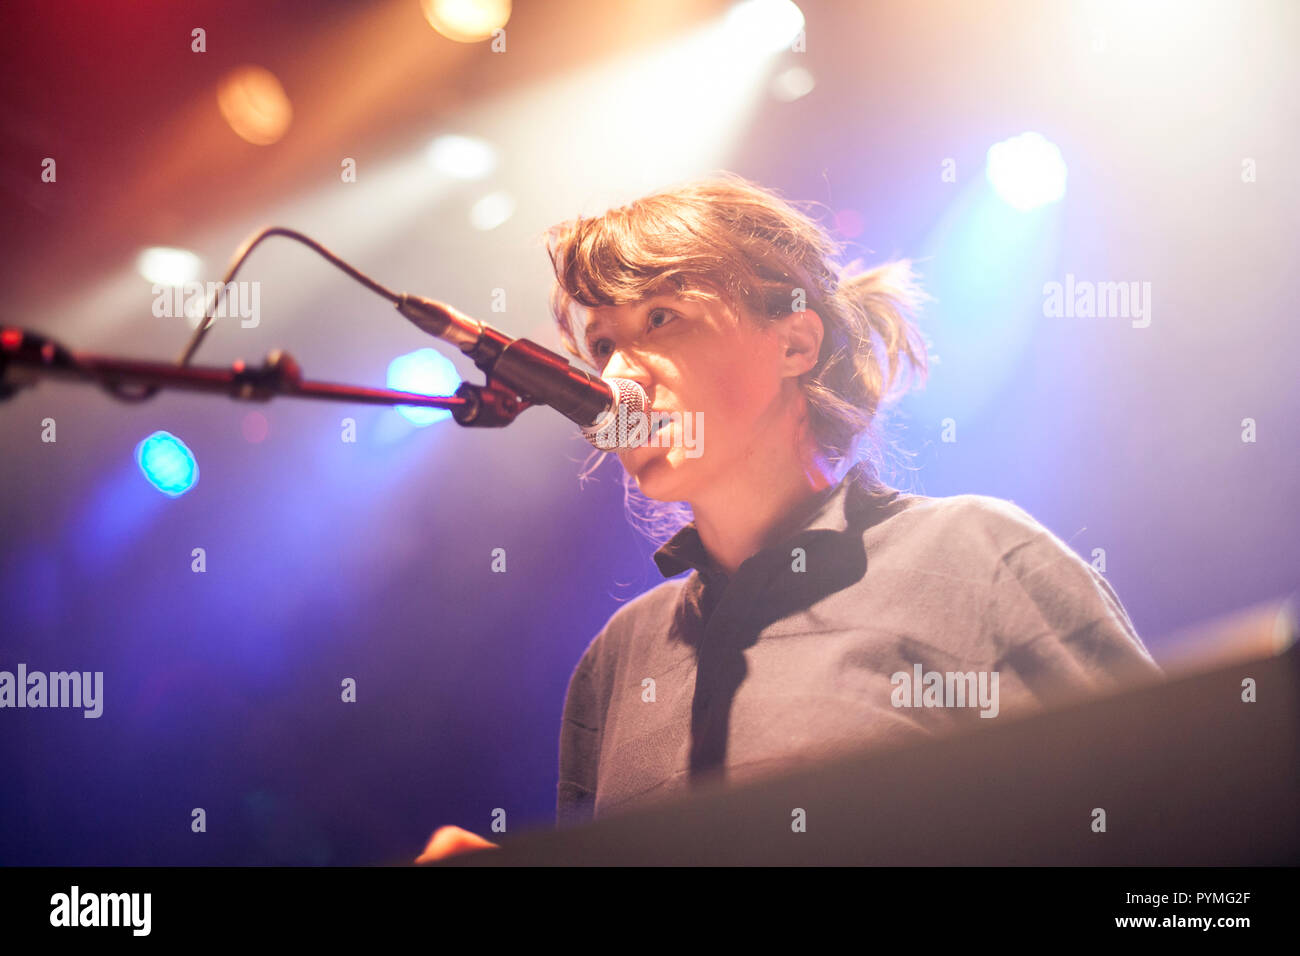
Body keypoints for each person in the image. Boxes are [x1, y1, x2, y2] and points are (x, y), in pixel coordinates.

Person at [416, 172, 1162, 861]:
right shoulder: (618, 659)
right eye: (602, 343)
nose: (616, 377)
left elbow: (1183, 844)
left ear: (795, 342)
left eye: (662, 317)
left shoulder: (977, 555)